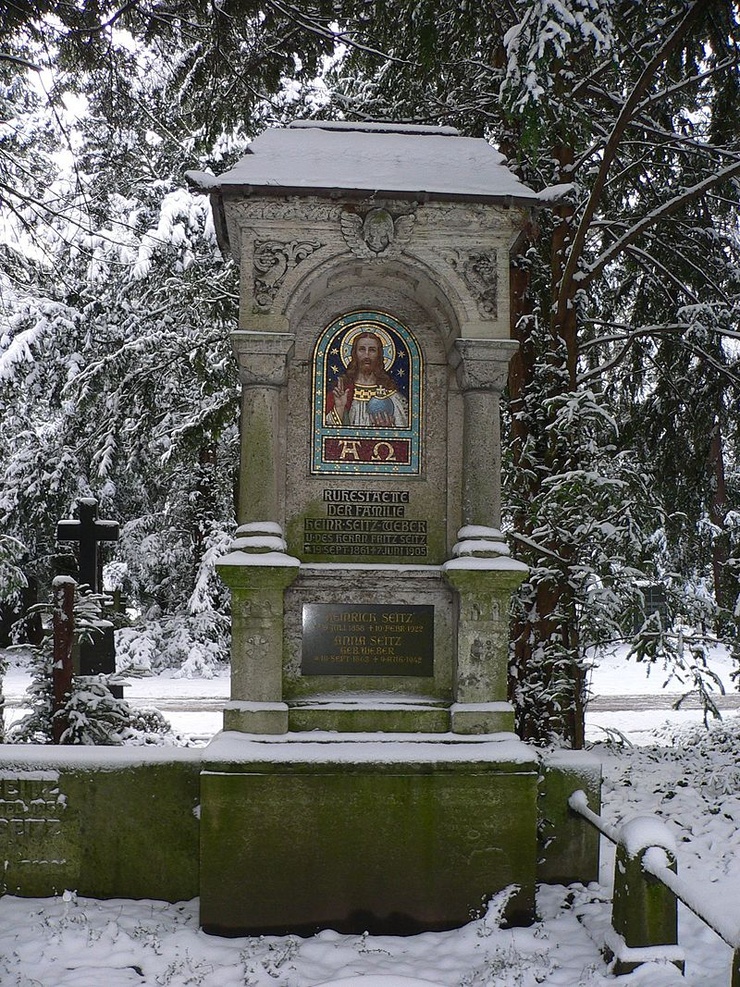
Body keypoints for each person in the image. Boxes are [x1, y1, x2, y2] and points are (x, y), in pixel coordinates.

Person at [325, 331, 408, 427]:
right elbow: (327, 433)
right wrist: (340, 408)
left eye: (372, 350)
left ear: (379, 355)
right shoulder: (342, 393)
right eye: (362, 349)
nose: (367, 355)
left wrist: (388, 429)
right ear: (354, 354)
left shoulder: (394, 398)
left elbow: (405, 431)